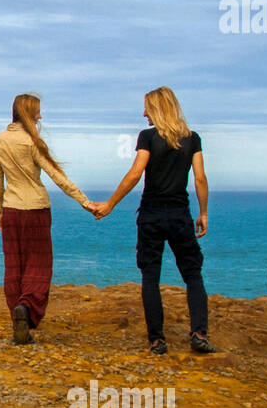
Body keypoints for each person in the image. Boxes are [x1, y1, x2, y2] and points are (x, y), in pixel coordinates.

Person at [91, 87, 217, 355]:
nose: (143, 113)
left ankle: (157, 340)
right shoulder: (192, 139)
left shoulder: (147, 137)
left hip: (150, 216)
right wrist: (203, 213)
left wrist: (110, 203)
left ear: (157, 109)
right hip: (180, 216)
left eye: (147, 107)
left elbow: (136, 173)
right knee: (193, 274)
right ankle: (199, 334)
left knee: (150, 276)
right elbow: (200, 179)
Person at [0, 92, 96, 344]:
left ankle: (18, 318)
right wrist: (85, 202)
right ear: (28, 113)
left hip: (12, 211)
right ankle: (26, 309)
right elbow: (57, 177)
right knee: (39, 267)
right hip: (36, 210)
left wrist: (0, 212)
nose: (40, 115)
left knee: (14, 268)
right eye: (37, 111)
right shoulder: (32, 142)